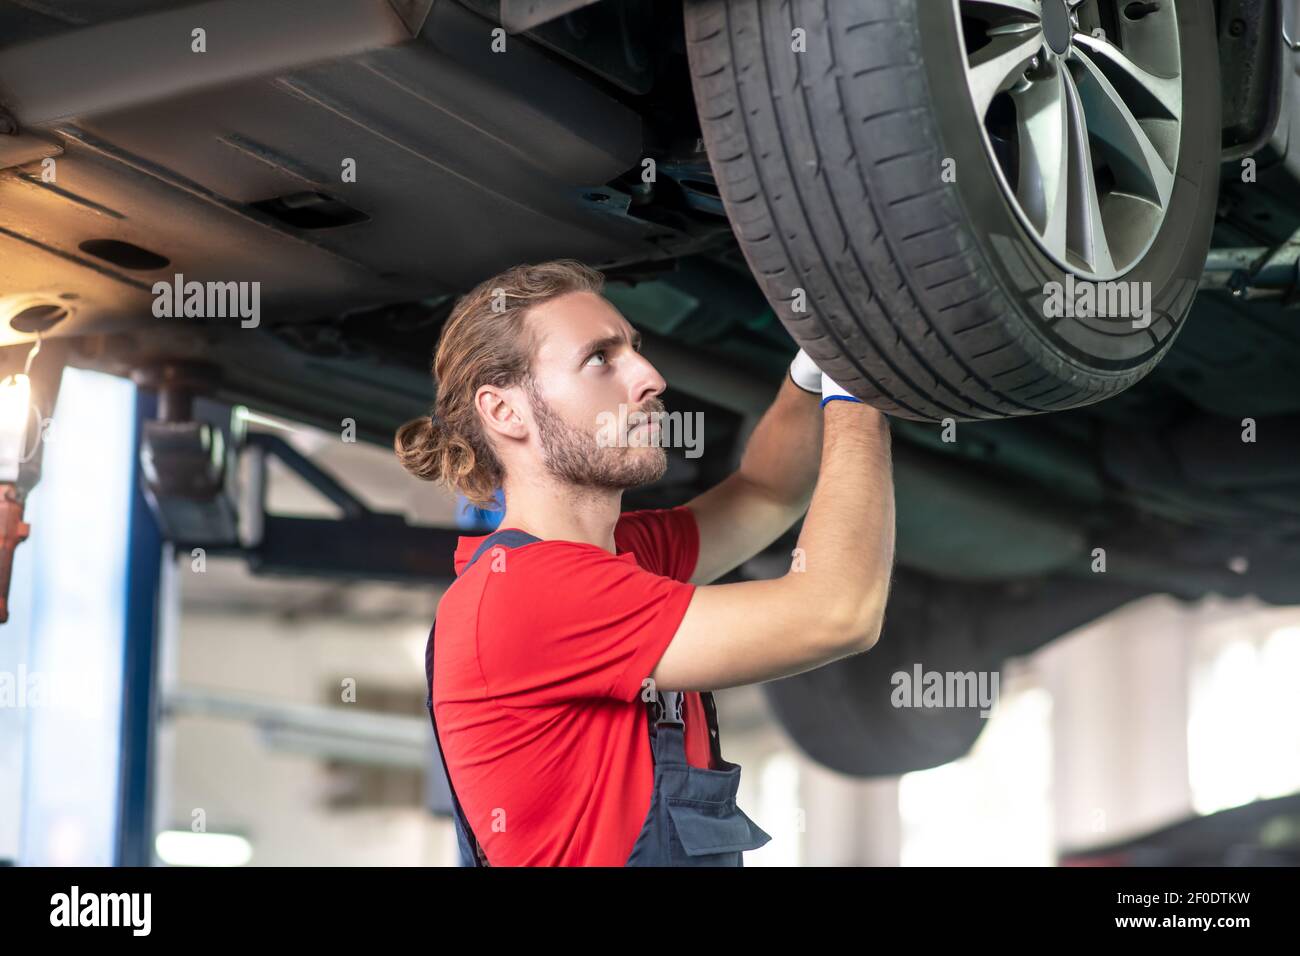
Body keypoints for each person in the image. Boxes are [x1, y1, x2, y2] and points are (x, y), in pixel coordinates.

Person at [396, 259, 895, 866]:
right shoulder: (524, 595)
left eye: (636, 349)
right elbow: (838, 613)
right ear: (505, 412)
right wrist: (861, 383)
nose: (651, 377)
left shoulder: (621, 561)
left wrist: (811, 369)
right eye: (600, 359)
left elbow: (768, 491)